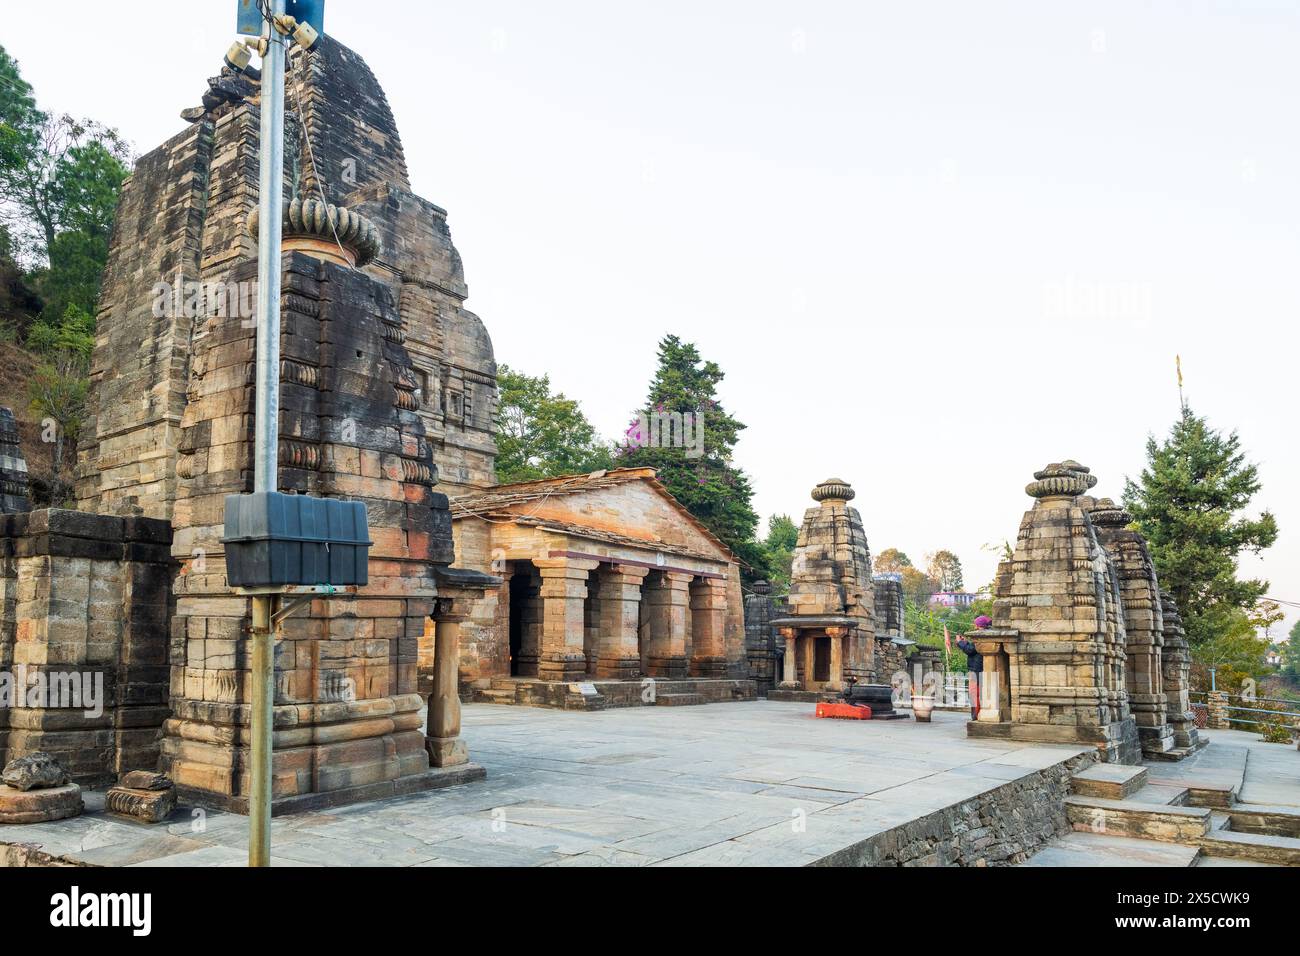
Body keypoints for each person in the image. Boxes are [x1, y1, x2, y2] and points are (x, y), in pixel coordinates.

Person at [956, 615, 991, 718]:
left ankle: (976, 716)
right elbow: (972, 648)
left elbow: (970, 650)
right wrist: (965, 642)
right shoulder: (985, 635)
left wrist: (960, 642)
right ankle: (977, 715)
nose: (974, 627)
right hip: (980, 668)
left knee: (974, 694)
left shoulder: (981, 636)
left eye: (976, 625)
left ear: (978, 626)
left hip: (976, 669)